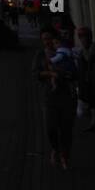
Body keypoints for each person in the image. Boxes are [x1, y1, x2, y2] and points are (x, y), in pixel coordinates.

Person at [34, 28, 77, 169]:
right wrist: (49, 74)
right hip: (49, 97)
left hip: (66, 96)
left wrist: (65, 74)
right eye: (44, 39)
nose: (47, 42)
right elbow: (35, 73)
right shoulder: (40, 55)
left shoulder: (64, 52)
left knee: (66, 128)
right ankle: (55, 149)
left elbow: (74, 71)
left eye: (49, 38)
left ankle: (65, 155)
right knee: (51, 128)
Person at [75, 27, 95, 131]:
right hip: (89, 82)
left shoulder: (94, 48)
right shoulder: (83, 51)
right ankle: (94, 122)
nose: (83, 39)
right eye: (80, 37)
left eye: (84, 36)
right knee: (93, 103)